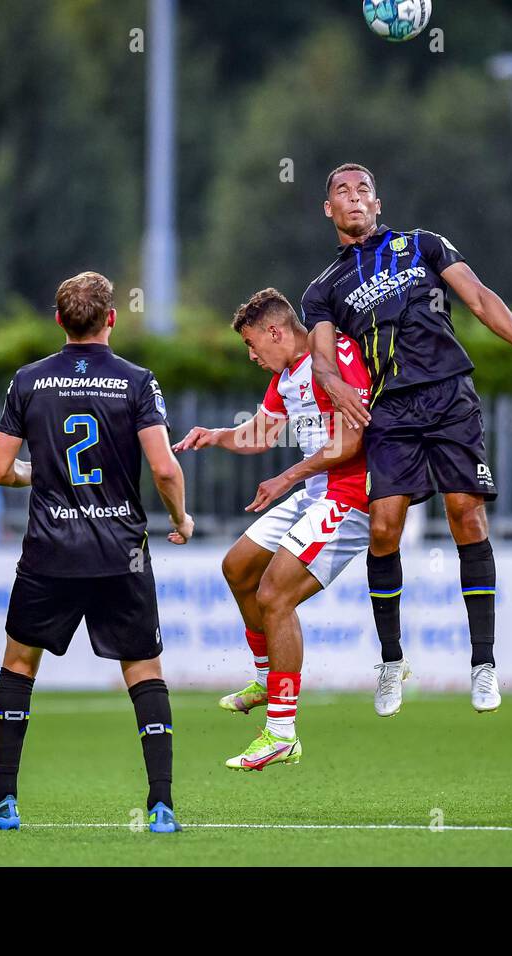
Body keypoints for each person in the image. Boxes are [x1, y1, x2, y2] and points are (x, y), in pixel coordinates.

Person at [302, 163, 512, 716]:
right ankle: (391, 661)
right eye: (341, 193)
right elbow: (323, 364)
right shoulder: (323, 289)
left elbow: (479, 296)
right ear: (328, 209)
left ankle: (484, 665)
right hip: (390, 411)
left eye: (363, 191)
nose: (354, 199)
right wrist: (337, 389)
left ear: (378, 203)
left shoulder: (421, 245)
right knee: (384, 525)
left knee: (465, 514)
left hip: (450, 396)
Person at [0, 271, 193, 834]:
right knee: (142, 668)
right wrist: (180, 519)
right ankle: (161, 806)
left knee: (19, 664)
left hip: (50, 551)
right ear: (112, 319)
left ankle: (5, 801)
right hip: (122, 550)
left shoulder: (28, 380)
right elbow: (165, 467)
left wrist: (38, 473)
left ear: (58, 321)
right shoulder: (137, 381)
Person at [173, 288, 370, 770]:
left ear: (276, 331)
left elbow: (351, 441)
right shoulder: (286, 376)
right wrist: (217, 436)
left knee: (274, 595)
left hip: (350, 493)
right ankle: (267, 677)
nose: (251, 355)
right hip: (313, 489)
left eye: (252, 343)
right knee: (237, 568)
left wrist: (286, 478)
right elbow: (263, 432)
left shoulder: (337, 355)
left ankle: (281, 731)